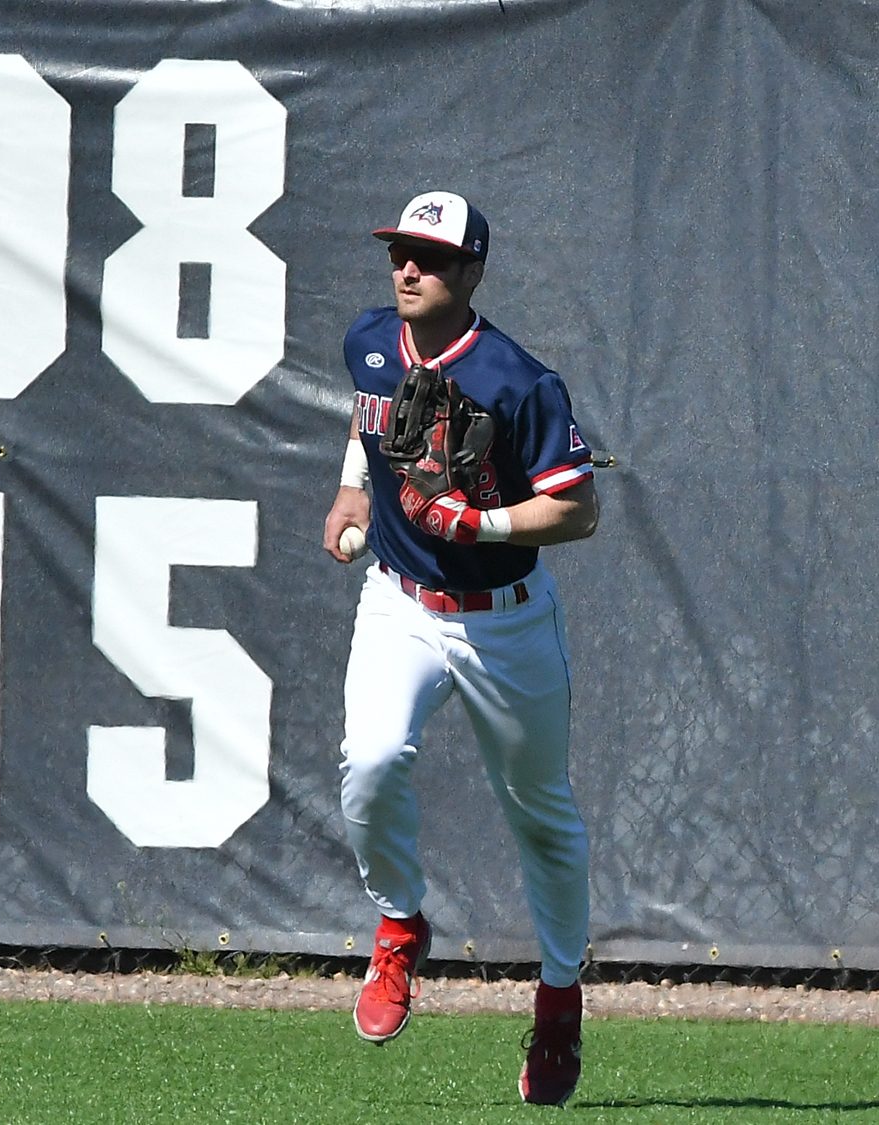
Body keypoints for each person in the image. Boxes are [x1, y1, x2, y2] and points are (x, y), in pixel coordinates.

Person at [322, 190, 601, 1107]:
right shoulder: (370, 338)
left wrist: (477, 521)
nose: (409, 268)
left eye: (431, 258)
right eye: (401, 251)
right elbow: (370, 419)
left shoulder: (520, 381)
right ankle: (400, 923)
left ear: (472, 271)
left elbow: (577, 507)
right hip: (399, 604)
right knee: (368, 763)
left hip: (506, 620)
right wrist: (355, 487)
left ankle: (559, 1000)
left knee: (542, 819)